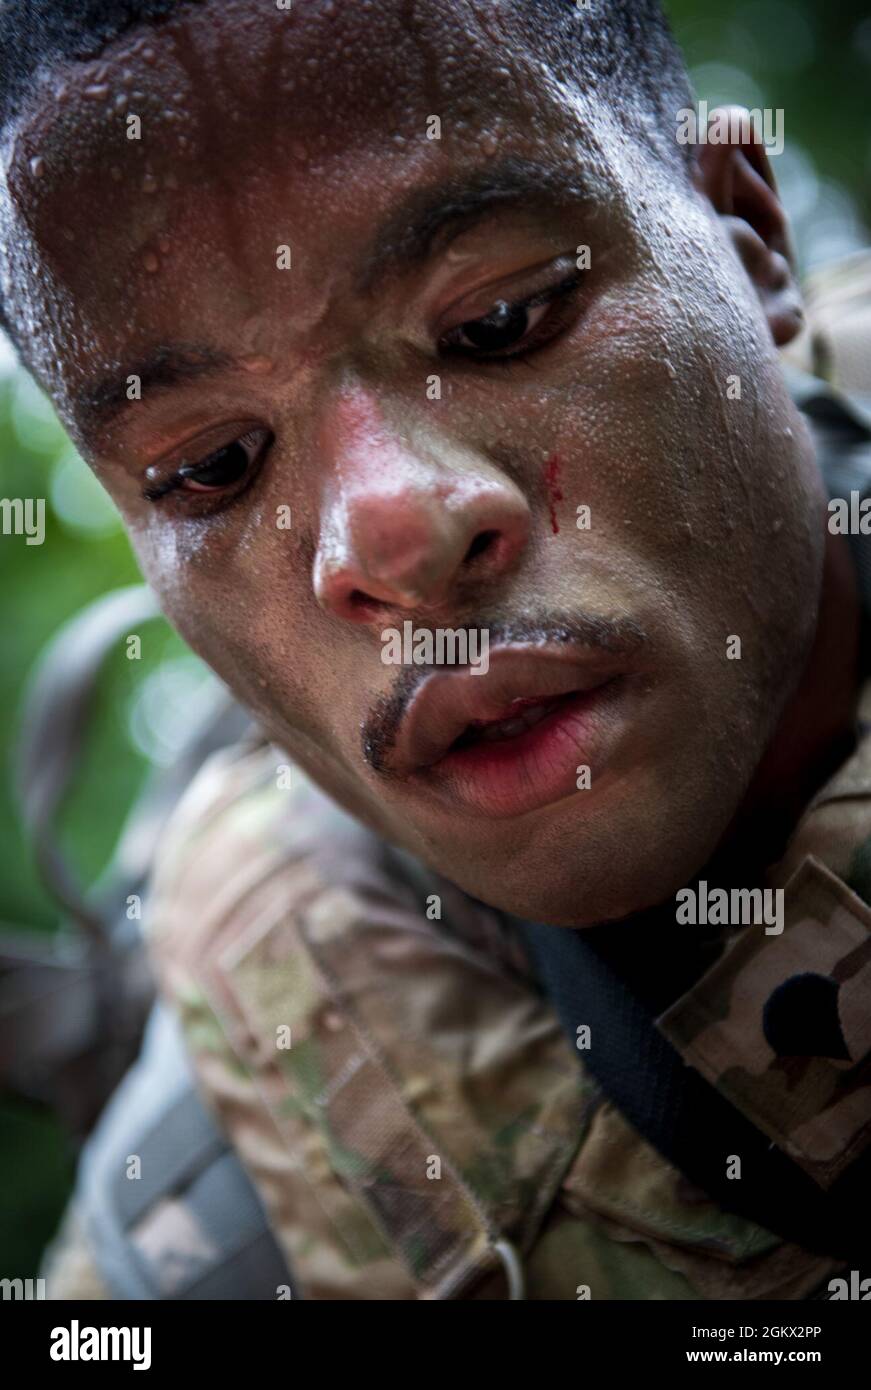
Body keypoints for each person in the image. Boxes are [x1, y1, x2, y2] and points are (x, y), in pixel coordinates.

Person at [2, 0, 869, 1299]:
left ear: (748, 232)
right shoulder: (202, 1233)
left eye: (502, 322)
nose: (391, 533)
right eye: (214, 466)